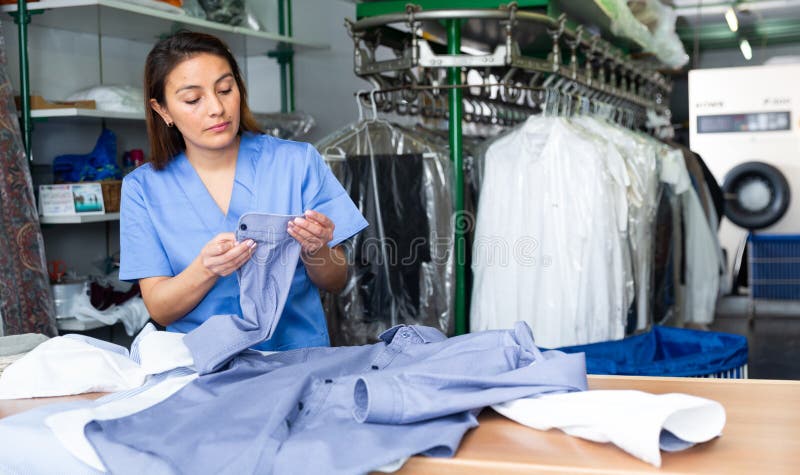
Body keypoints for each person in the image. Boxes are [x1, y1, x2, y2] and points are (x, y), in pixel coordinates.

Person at [119, 31, 368, 351]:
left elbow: (336, 281)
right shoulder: (142, 188)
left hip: (295, 362)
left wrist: (315, 251)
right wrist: (205, 269)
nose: (216, 108)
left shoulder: (297, 162)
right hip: (201, 370)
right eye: (193, 99)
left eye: (225, 89)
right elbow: (160, 308)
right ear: (163, 110)